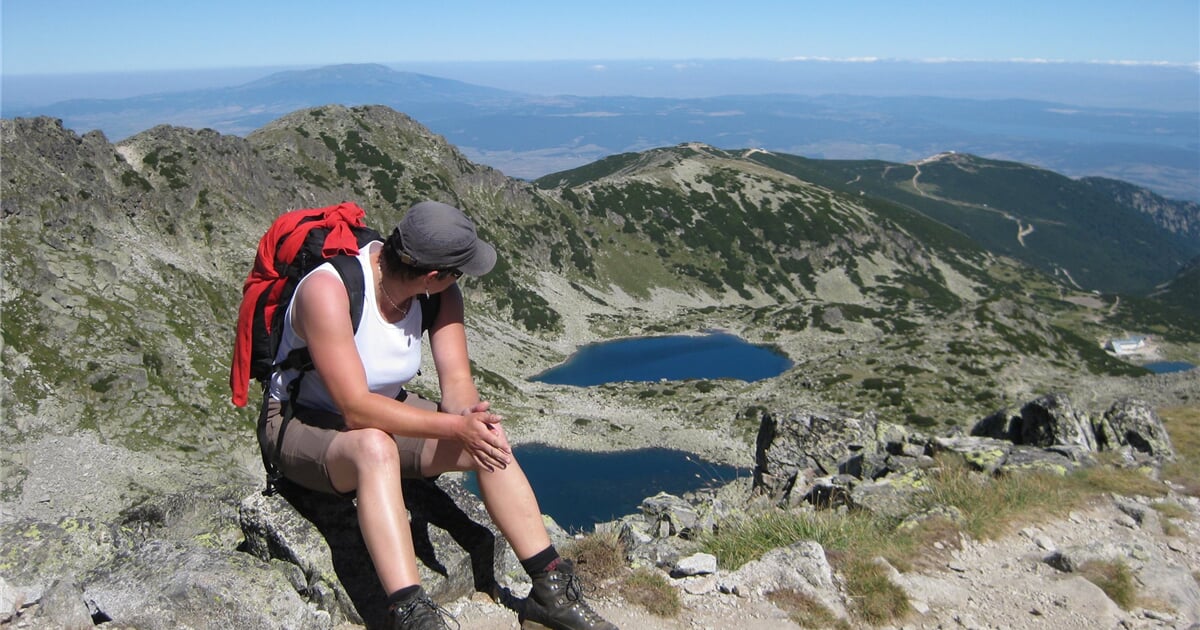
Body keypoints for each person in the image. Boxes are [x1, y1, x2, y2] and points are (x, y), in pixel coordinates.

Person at [258, 201, 618, 630]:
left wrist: (471, 423)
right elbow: (355, 409)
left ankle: (549, 589)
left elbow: (458, 384)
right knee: (375, 449)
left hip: (383, 410)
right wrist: (453, 427)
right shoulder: (330, 291)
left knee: (490, 439)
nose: (458, 281)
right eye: (458, 272)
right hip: (301, 422)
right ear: (432, 275)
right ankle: (411, 612)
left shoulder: (439, 295)